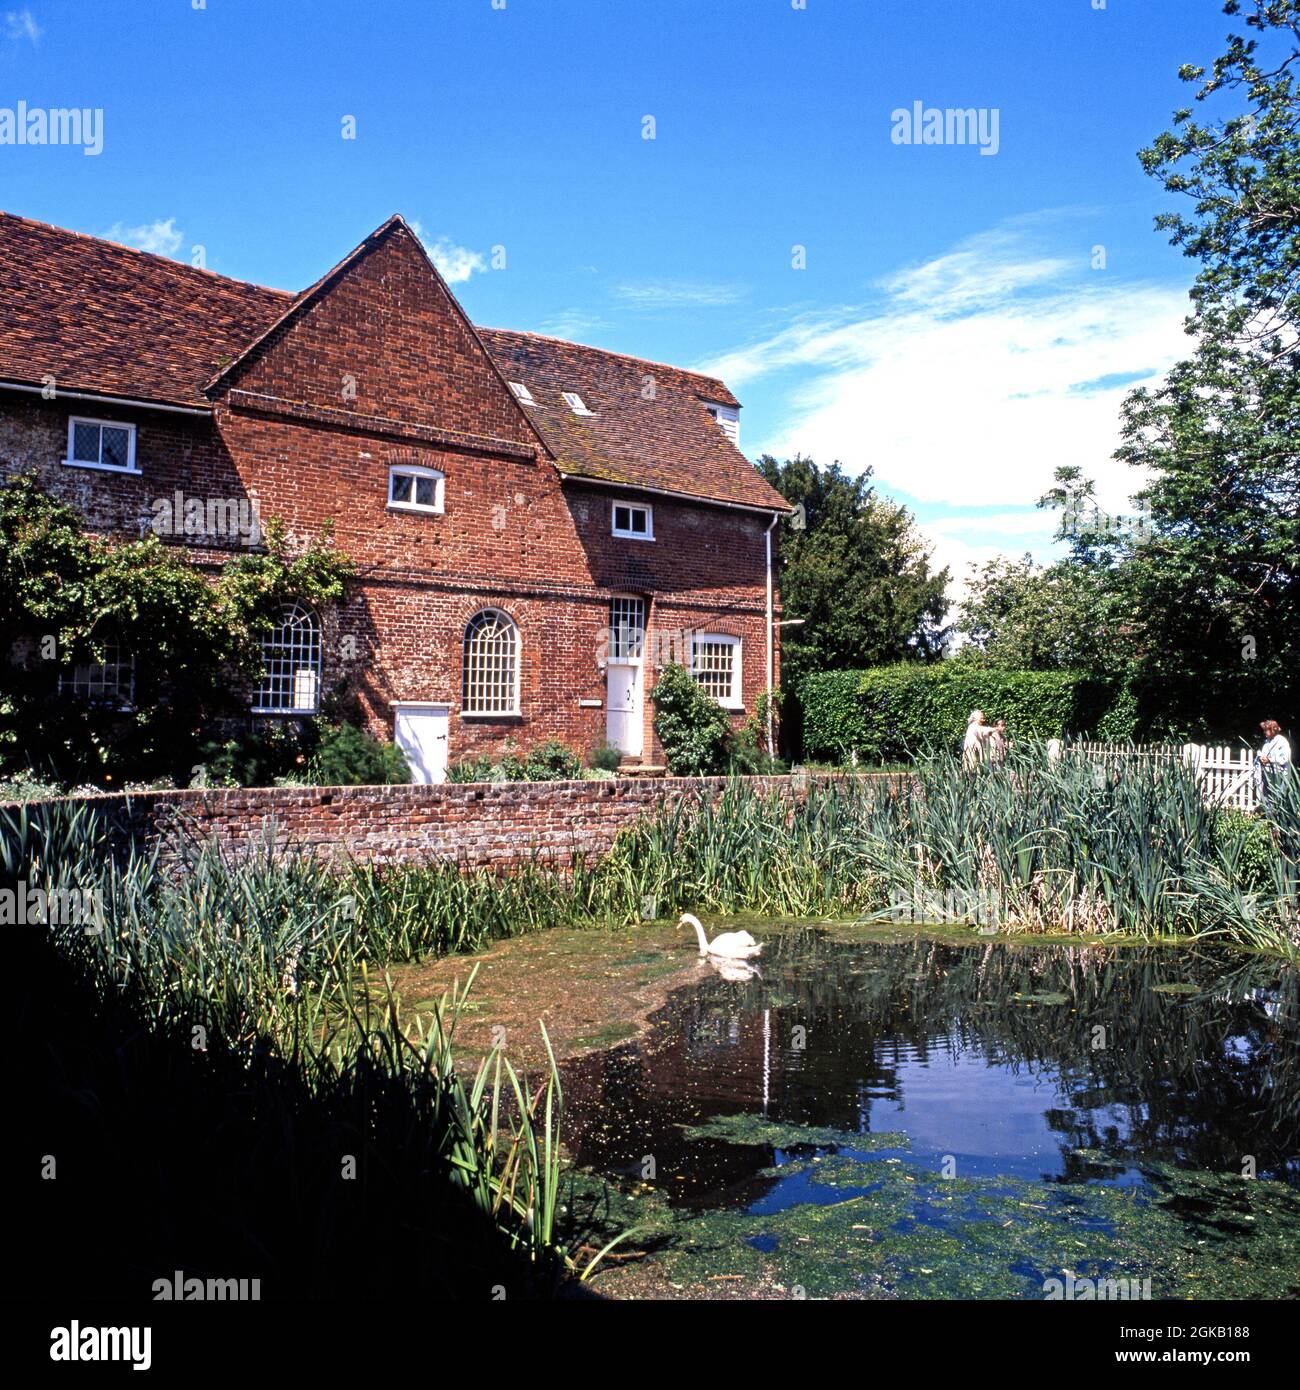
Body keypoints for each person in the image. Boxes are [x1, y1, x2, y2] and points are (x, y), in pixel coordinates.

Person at [1255, 719, 1291, 807]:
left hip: (1280, 776)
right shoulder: (1267, 742)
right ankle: (1269, 817)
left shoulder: (1282, 741)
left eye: (1266, 730)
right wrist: (1261, 758)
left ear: (1273, 730)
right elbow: (1263, 754)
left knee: (1278, 800)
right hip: (1269, 774)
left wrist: (1269, 760)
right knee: (1267, 799)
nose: (1264, 732)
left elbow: (1284, 758)